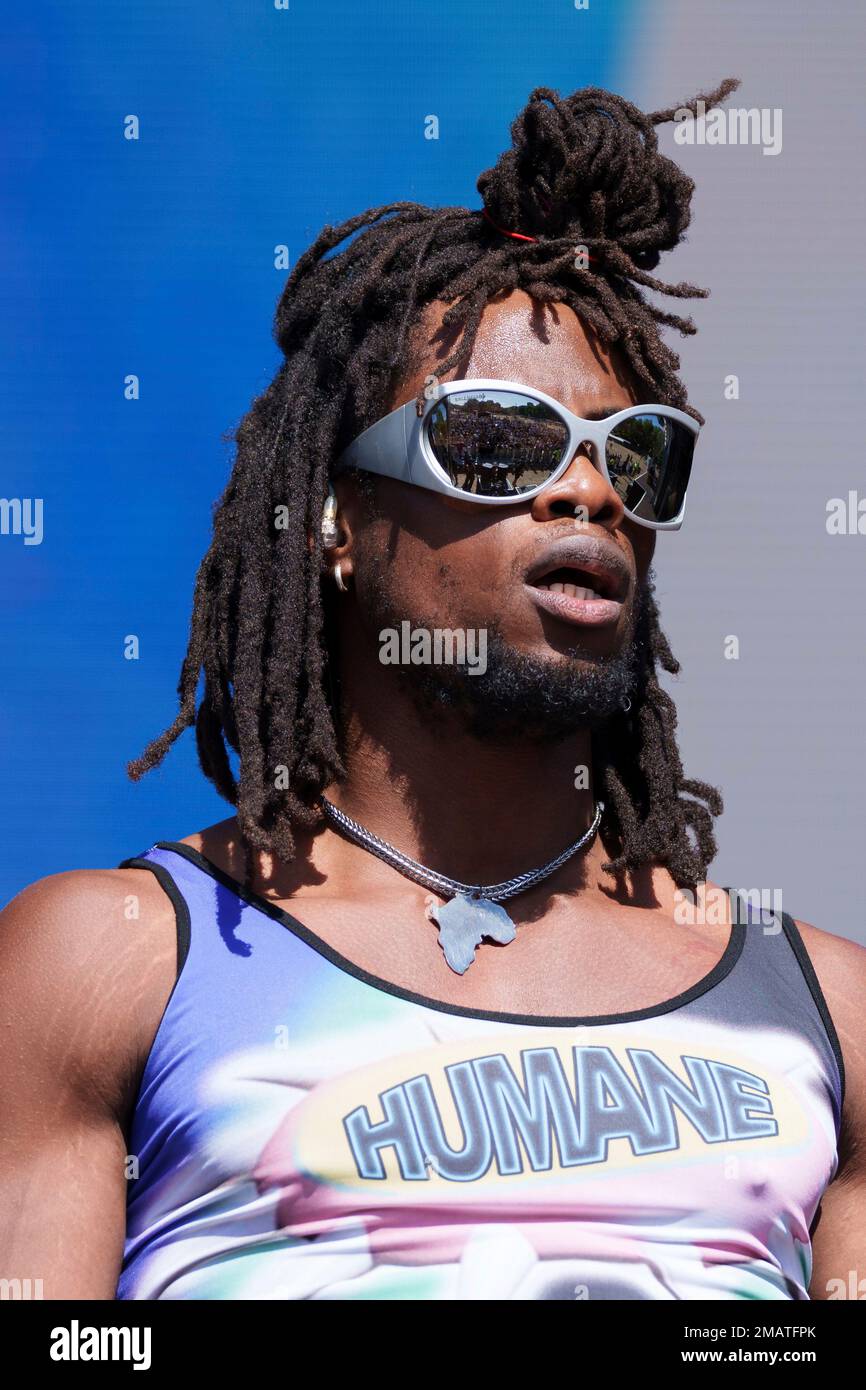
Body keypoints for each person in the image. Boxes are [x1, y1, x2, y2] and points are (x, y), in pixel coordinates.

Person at [1, 78, 864, 1303]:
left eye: (634, 455)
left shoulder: (829, 1012)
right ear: (338, 522)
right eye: (497, 442)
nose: (587, 495)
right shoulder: (109, 965)